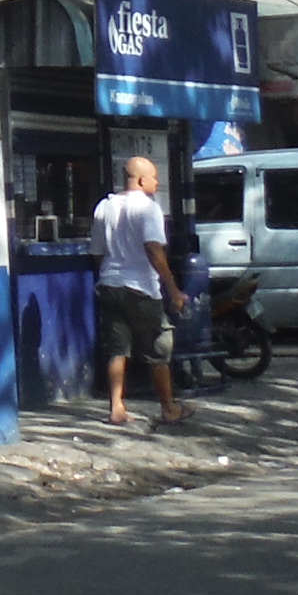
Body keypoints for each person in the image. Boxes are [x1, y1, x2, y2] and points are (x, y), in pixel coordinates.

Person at [93, 155, 191, 431]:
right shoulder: (148, 209)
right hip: (141, 289)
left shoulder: (104, 207)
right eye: (154, 177)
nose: (158, 182)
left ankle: (117, 407)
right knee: (158, 349)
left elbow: (97, 253)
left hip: (109, 285)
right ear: (140, 179)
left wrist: (109, 274)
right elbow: (154, 250)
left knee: (117, 348)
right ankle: (169, 407)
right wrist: (173, 290)